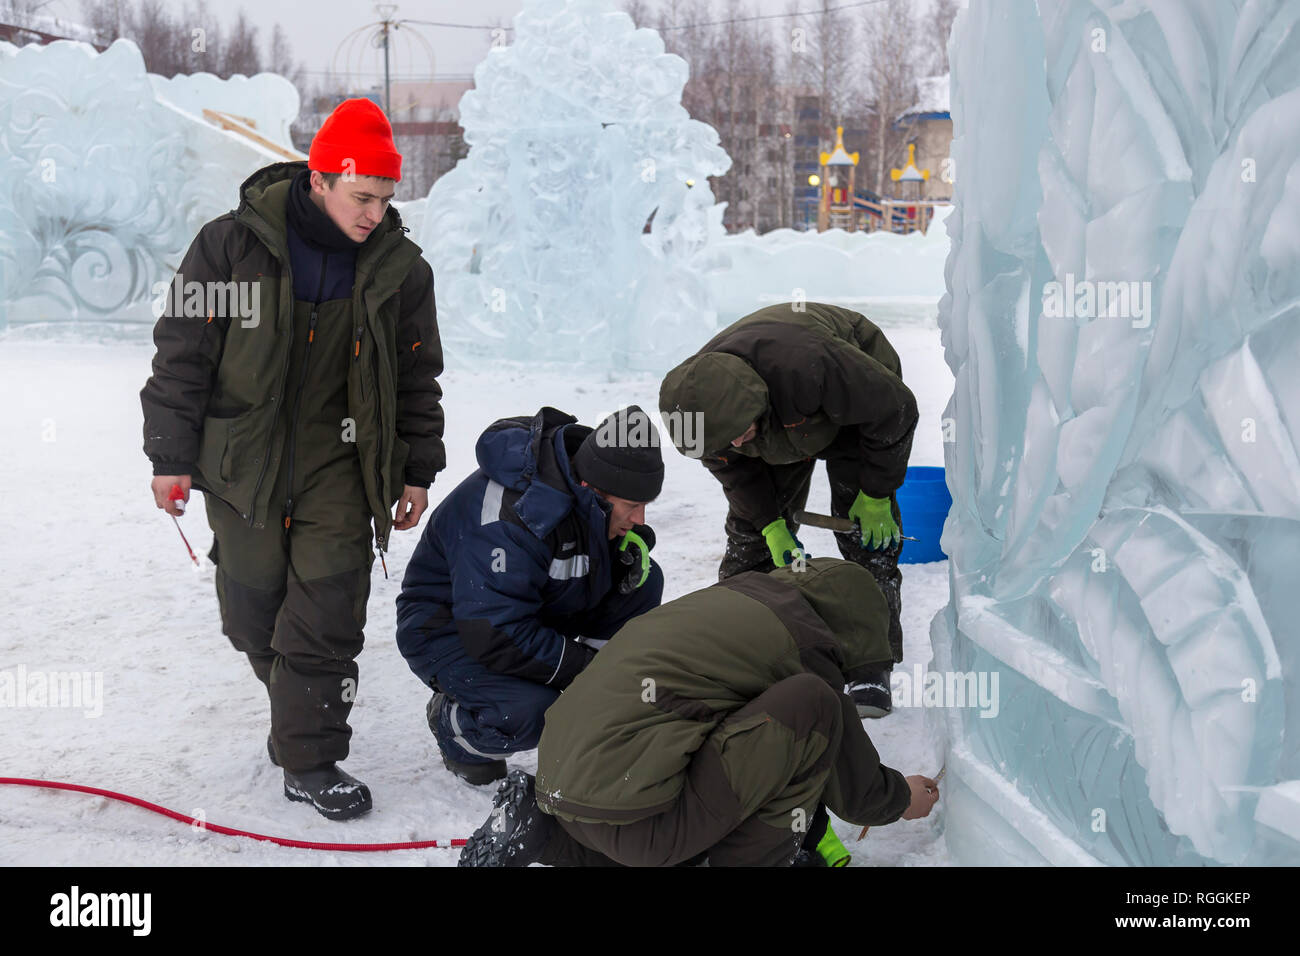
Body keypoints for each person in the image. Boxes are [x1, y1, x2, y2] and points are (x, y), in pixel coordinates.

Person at [140, 98, 446, 820]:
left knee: (329, 608)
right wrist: (169, 454)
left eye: (384, 198)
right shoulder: (231, 247)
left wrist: (415, 468)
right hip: (242, 460)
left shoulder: (399, 270)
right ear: (320, 180)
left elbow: (415, 375)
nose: (374, 213)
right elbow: (183, 353)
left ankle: (310, 759)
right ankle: (295, 708)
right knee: (253, 617)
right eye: (361, 196)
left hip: (343, 462)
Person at [457, 557, 939, 867]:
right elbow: (855, 792)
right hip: (641, 819)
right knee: (812, 710)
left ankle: (542, 835)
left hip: (565, 792)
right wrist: (900, 797)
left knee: (663, 815)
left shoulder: (733, 607)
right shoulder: (806, 643)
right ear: (851, 630)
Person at [657, 301, 918, 717]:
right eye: (729, 442)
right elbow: (738, 474)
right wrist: (770, 525)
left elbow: (894, 411)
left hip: (852, 409)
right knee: (750, 540)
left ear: (755, 407)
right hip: (780, 420)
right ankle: (741, 651)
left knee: (867, 535)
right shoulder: (704, 418)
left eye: (739, 435)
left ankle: (871, 665)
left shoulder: (812, 364)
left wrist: (876, 492)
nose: (736, 446)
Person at [396, 405, 665, 785]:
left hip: (527, 608)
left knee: (642, 580)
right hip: (449, 627)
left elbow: (573, 558)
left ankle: (602, 708)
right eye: (632, 507)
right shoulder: (510, 516)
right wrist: (584, 669)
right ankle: (453, 726)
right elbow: (496, 631)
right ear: (593, 491)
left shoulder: (585, 487)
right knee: (532, 713)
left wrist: (617, 559)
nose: (639, 519)